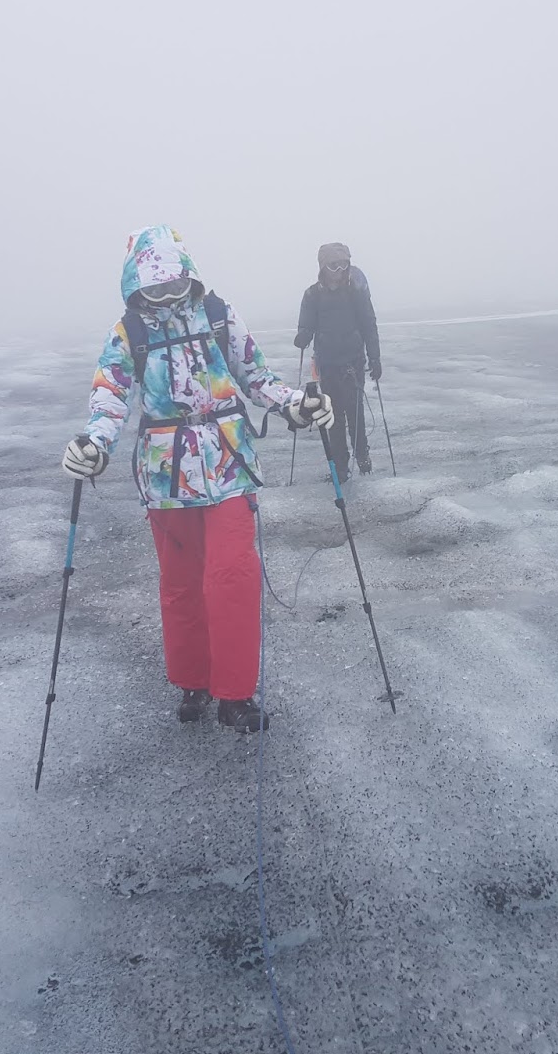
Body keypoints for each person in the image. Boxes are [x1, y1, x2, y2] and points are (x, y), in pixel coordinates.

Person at [60, 225, 333, 733]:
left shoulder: (218, 315)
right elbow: (110, 394)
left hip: (229, 466)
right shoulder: (128, 334)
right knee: (181, 586)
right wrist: (94, 444)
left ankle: (235, 694)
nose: (165, 295)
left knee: (233, 575)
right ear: (135, 285)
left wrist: (297, 404)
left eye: (174, 283)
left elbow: (256, 377)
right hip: (165, 480)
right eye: (153, 287)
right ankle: (194, 683)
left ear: (191, 276)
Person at [294, 243, 381, 480]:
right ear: (324, 267)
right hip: (327, 363)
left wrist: (375, 357)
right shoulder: (312, 295)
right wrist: (303, 336)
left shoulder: (356, 293)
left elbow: (368, 325)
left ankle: (362, 456)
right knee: (332, 416)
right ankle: (340, 467)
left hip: (352, 360)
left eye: (344, 264)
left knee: (355, 412)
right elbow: (307, 325)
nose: (340, 270)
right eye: (335, 265)